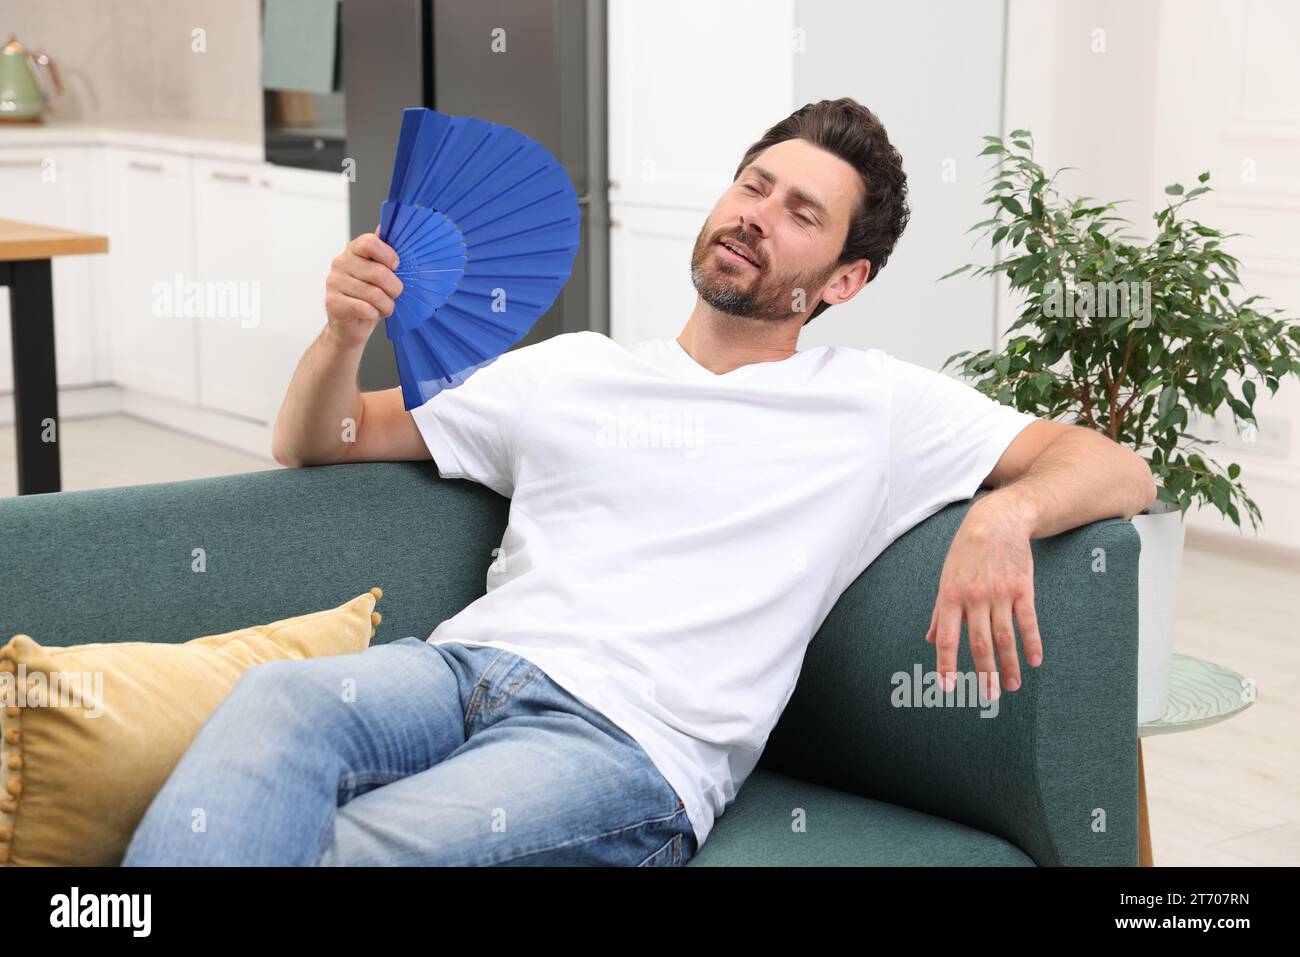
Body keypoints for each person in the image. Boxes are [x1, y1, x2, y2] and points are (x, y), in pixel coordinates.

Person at [122, 97, 1156, 867]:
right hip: (461, 671)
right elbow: (324, 439)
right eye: (752, 184)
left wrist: (1006, 511)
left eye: (801, 213)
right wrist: (344, 335)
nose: (756, 214)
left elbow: (1118, 467)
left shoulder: (875, 406)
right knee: (281, 700)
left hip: (625, 744)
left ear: (843, 280)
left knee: (354, 853)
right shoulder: (569, 368)